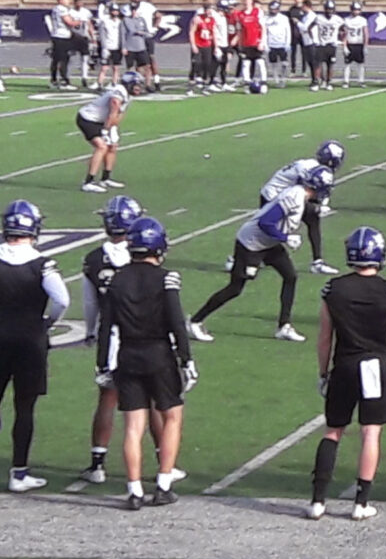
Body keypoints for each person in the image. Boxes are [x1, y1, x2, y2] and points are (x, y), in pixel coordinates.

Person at [80, 196, 186, 487]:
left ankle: (97, 463)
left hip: (113, 337)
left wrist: (91, 333)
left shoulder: (93, 259)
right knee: (156, 401)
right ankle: (164, 465)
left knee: (110, 400)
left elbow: (90, 304)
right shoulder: (142, 253)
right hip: (147, 339)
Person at [308, 227, 386, 522]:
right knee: (370, 431)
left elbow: (324, 338)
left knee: (333, 430)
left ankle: (317, 501)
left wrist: (323, 372)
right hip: (375, 367)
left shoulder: (333, 289)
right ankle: (361, 502)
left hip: (344, 364)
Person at [94, 217, 194, 510]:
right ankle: (163, 484)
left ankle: (134, 490)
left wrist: (102, 364)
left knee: (133, 426)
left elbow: (105, 326)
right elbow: (176, 322)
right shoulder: (166, 278)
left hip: (127, 354)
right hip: (159, 354)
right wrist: (186, 358)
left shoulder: (115, 280)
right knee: (172, 417)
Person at [187, 165, 334, 343]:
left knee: (290, 276)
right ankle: (195, 321)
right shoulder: (294, 197)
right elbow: (265, 222)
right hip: (251, 244)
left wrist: (314, 210)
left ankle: (284, 326)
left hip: (269, 242)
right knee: (235, 288)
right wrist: (285, 238)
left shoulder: (299, 195)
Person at [0, 200, 69, 492]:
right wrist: (47, 322)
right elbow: (62, 300)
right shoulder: (43, 264)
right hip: (30, 341)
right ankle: (19, 473)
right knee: (24, 407)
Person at [248, 140, 346, 276]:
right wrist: (319, 205)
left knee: (312, 219)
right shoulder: (309, 169)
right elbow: (306, 191)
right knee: (268, 229)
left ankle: (317, 262)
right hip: (273, 196)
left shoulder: (313, 166)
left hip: (283, 195)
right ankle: (242, 260)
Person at [77, 70, 144, 193]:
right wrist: (105, 131)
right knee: (101, 147)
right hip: (88, 119)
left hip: (102, 121)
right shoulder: (118, 93)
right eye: (136, 85)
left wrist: (112, 129)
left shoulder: (127, 95)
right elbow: (113, 112)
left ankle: (105, 179)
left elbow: (119, 115)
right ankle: (88, 182)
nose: (139, 88)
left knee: (112, 146)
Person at [129, 0, 162, 91]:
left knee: (151, 58)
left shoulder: (147, 6)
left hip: (147, 36)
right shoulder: (127, 8)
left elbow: (158, 16)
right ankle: (140, 81)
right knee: (138, 61)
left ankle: (156, 80)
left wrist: (154, 28)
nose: (136, 0)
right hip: (135, 37)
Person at [309, 0, 344, 92]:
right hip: (321, 44)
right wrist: (313, 39)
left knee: (330, 65)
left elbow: (344, 30)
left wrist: (341, 39)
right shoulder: (319, 18)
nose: (329, 11)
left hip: (332, 45)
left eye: (331, 9)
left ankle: (329, 82)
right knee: (318, 65)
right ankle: (317, 82)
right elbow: (310, 28)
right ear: (325, 9)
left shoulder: (338, 19)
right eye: (328, 9)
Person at [49, 0, 81, 89]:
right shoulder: (61, 9)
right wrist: (79, 22)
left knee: (56, 59)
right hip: (61, 36)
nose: (68, 1)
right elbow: (69, 22)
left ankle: (54, 80)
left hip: (58, 35)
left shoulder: (57, 9)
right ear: (60, 0)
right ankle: (64, 81)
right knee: (63, 59)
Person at [189, 0, 218, 94]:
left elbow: (214, 33)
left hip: (207, 45)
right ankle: (191, 87)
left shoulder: (212, 20)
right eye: (209, 10)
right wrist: (193, 45)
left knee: (207, 65)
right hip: (198, 44)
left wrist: (216, 46)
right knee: (196, 64)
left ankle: (204, 87)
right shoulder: (198, 19)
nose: (210, 12)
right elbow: (192, 32)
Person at [119, 4, 152, 87]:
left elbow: (146, 32)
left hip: (141, 47)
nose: (134, 12)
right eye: (132, 10)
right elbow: (123, 34)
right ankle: (132, 85)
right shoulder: (126, 20)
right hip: (130, 47)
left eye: (135, 10)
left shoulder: (141, 20)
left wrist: (144, 34)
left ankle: (148, 85)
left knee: (146, 67)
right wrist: (123, 47)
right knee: (131, 68)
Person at [95, 1, 123, 92]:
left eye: (116, 11)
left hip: (117, 47)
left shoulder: (120, 22)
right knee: (104, 68)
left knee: (116, 67)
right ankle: (100, 84)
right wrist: (104, 48)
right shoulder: (105, 21)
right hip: (107, 47)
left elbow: (122, 35)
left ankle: (114, 83)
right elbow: (102, 35)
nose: (115, 12)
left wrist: (122, 46)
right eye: (113, 10)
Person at [265, 0, 293, 89]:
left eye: (275, 9)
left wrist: (287, 42)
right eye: (271, 9)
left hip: (282, 43)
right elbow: (264, 32)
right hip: (271, 44)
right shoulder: (266, 19)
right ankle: (276, 80)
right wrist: (265, 44)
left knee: (284, 63)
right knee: (273, 63)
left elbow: (288, 30)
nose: (273, 11)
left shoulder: (284, 18)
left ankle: (283, 78)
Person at [69, 0, 95, 89]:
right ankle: (67, 77)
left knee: (85, 58)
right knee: (70, 58)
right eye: (77, 2)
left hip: (84, 37)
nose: (79, 4)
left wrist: (93, 37)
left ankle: (84, 77)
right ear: (74, 3)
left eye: (81, 2)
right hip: (73, 37)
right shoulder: (70, 12)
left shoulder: (86, 12)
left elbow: (89, 25)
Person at [341, 1, 368, 88]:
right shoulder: (346, 20)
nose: (356, 11)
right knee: (347, 64)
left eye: (358, 9)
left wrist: (365, 46)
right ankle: (346, 81)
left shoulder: (363, 20)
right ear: (351, 10)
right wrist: (344, 46)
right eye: (355, 9)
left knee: (360, 64)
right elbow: (344, 34)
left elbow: (365, 33)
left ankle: (361, 81)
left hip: (359, 44)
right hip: (350, 43)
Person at [295, 0, 317, 90]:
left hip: (312, 41)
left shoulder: (312, 16)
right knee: (310, 62)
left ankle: (317, 79)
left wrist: (297, 22)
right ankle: (313, 79)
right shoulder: (305, 16)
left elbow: (305, 27)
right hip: (306, 40)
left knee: (314, 62)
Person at [287, 0, 306, 75]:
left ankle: (304, 70)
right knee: (293, 53)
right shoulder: (291, 9)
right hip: (294, 33)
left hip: (303, 34)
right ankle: (293, 70)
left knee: (304, 53)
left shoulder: (304, 9)